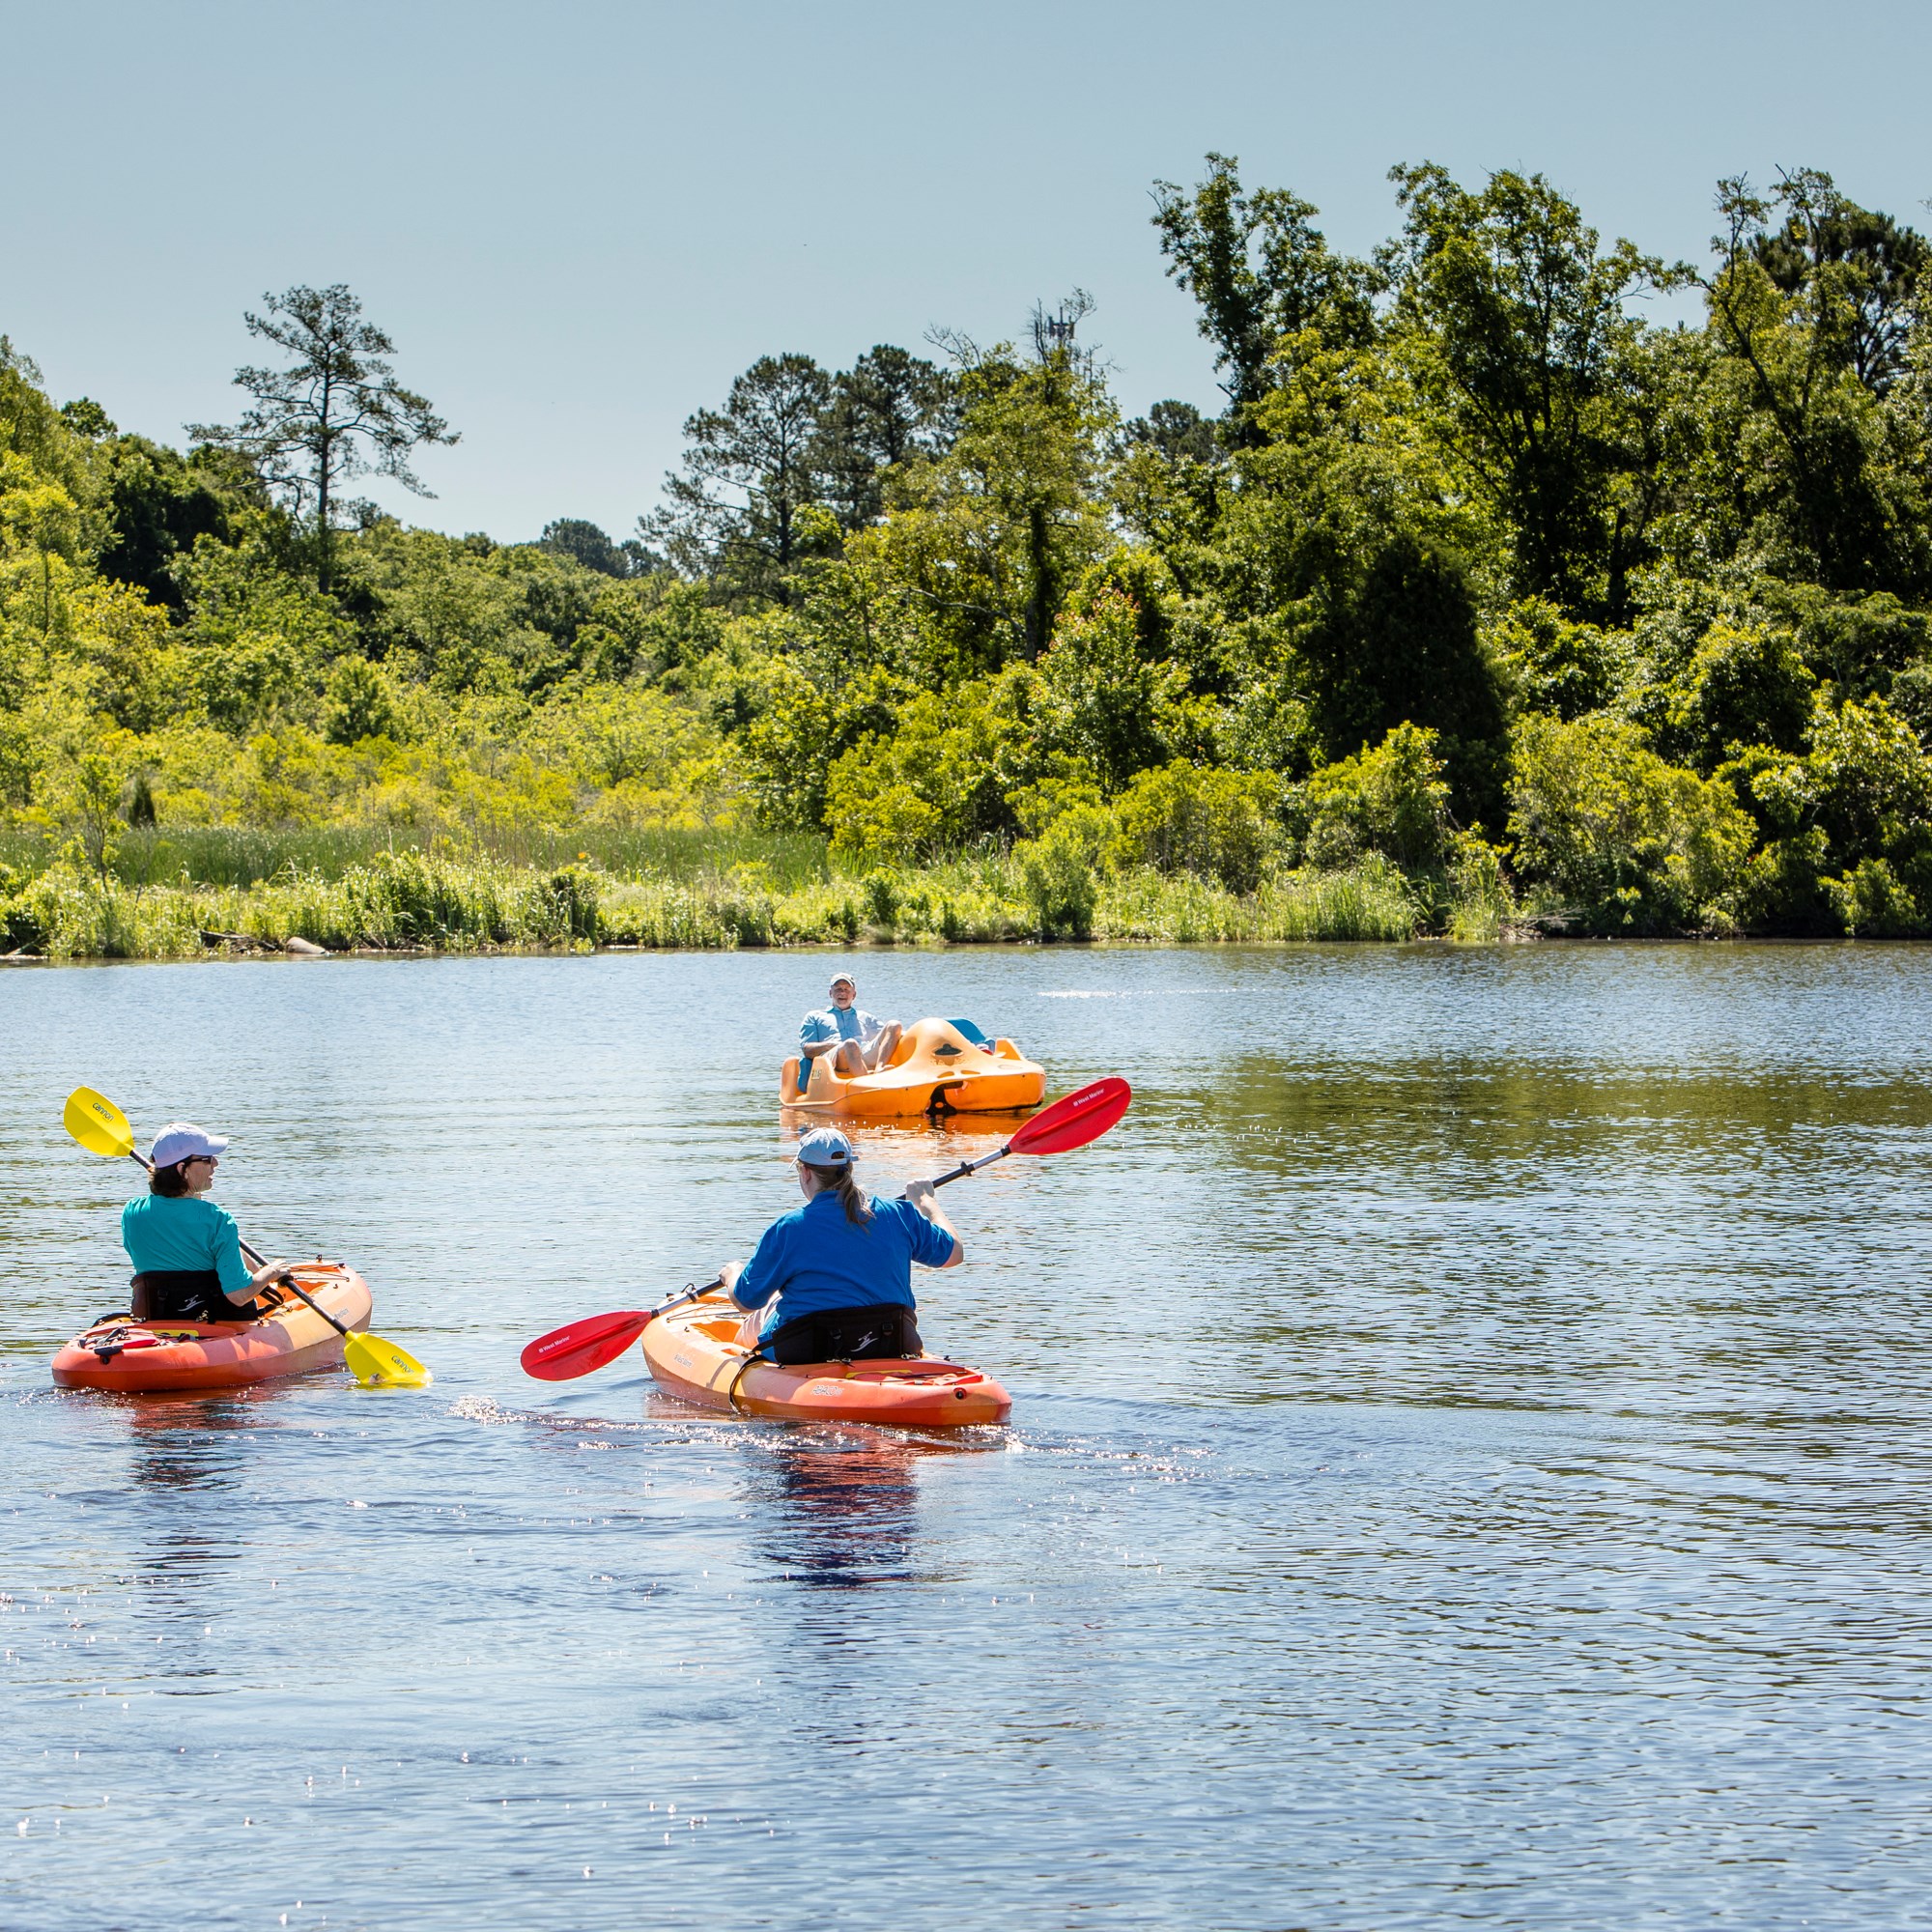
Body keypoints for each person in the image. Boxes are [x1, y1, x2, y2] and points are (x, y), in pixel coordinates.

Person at [721, 1126, 962, 1363]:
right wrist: (925, 1201)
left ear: (805, 1172)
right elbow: (954, 1255)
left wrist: (732, 1274)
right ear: (850, 1168)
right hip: (890, 1342)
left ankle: (739, 1372)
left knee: (766, 1307)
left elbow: (745, 1301)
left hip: (808, 1350)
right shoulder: (899, 1214)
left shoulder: (789, 1228)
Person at [121, 1122, 288, 1323]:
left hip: (156, 1318)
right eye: (207, 1159)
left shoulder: (132, 1212)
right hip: (218, 1324)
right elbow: (239, 1295)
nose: (215, 1163)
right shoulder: (218, 1220)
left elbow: (175, 1222)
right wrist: (271, 1272)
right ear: (183, 1169)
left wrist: (186, 1191)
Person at [799, 973, 902, 1079]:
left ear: (854, 995)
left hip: (863, 1053)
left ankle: (880, 1068)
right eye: (838, 989)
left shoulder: (865, 1017)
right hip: (834, 1059)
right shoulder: (815, 1016)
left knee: (894, 1025)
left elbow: (891, 1036)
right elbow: (807, 1049)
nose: (842, 993)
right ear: (830, 993)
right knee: (850, 1044)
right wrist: (834, 1045)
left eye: (847, 989)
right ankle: (865, 1081)